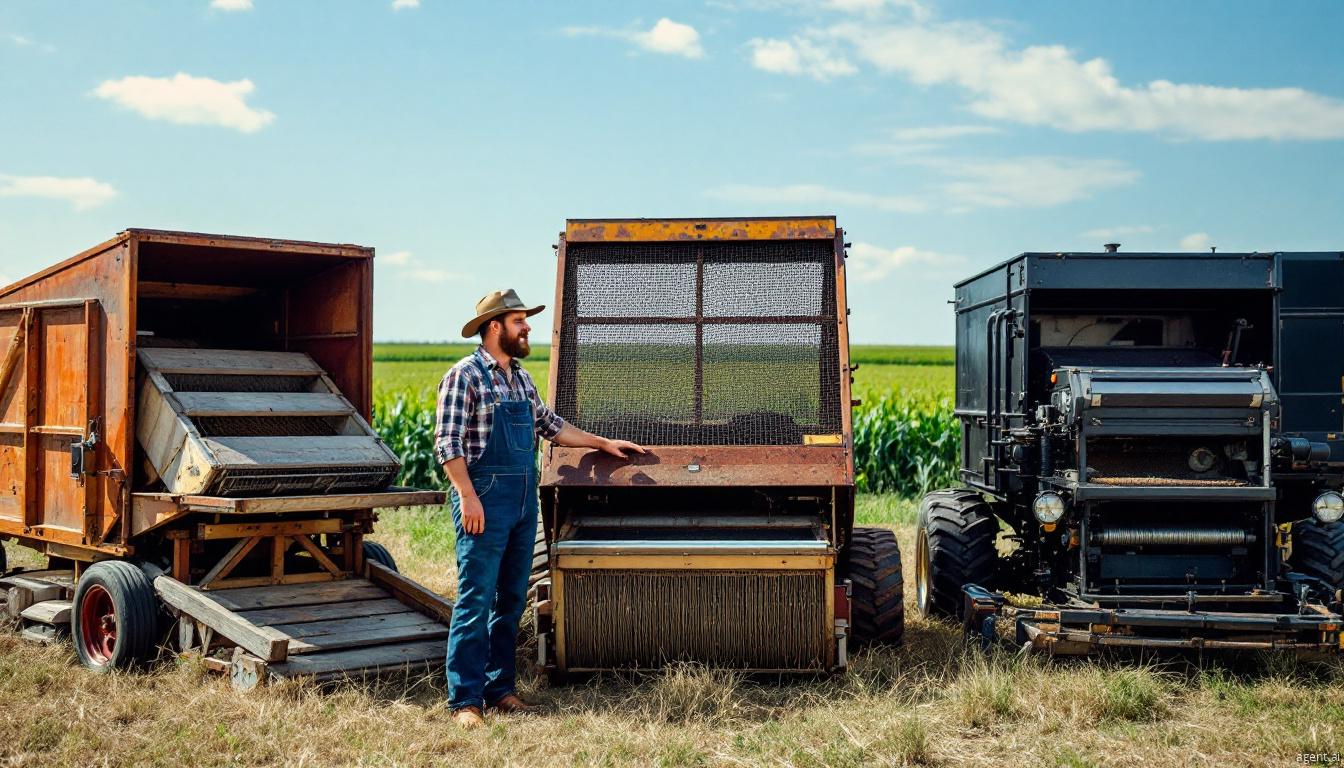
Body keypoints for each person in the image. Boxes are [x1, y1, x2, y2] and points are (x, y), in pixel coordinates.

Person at [434, 289, 645, 729]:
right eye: (519, 321)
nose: (527, 327)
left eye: (526, 320)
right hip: (482, 501)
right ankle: (465, 701)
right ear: (496, 328)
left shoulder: (521, 379)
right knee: (475, 598)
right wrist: (468, 497)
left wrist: (602, 442)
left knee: (511, 599)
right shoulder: (465, 376)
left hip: (521, 502)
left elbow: (552, 427)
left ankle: (500, 689)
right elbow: (447, 444)